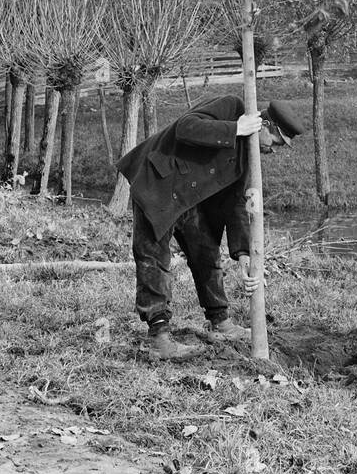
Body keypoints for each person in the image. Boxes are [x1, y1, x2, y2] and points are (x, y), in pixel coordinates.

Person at [117, 94, 304, 359]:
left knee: (206, 252)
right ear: (264, 126)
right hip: (159, 181)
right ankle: (158, 338)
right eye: (276, 141)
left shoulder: (247, 157)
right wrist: (235, 128)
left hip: (189, 199)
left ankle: (220, 321)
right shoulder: (231, 107)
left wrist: (243, 254)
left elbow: (237, 204)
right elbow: (186, 127)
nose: (274, 149)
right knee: (153, 258)